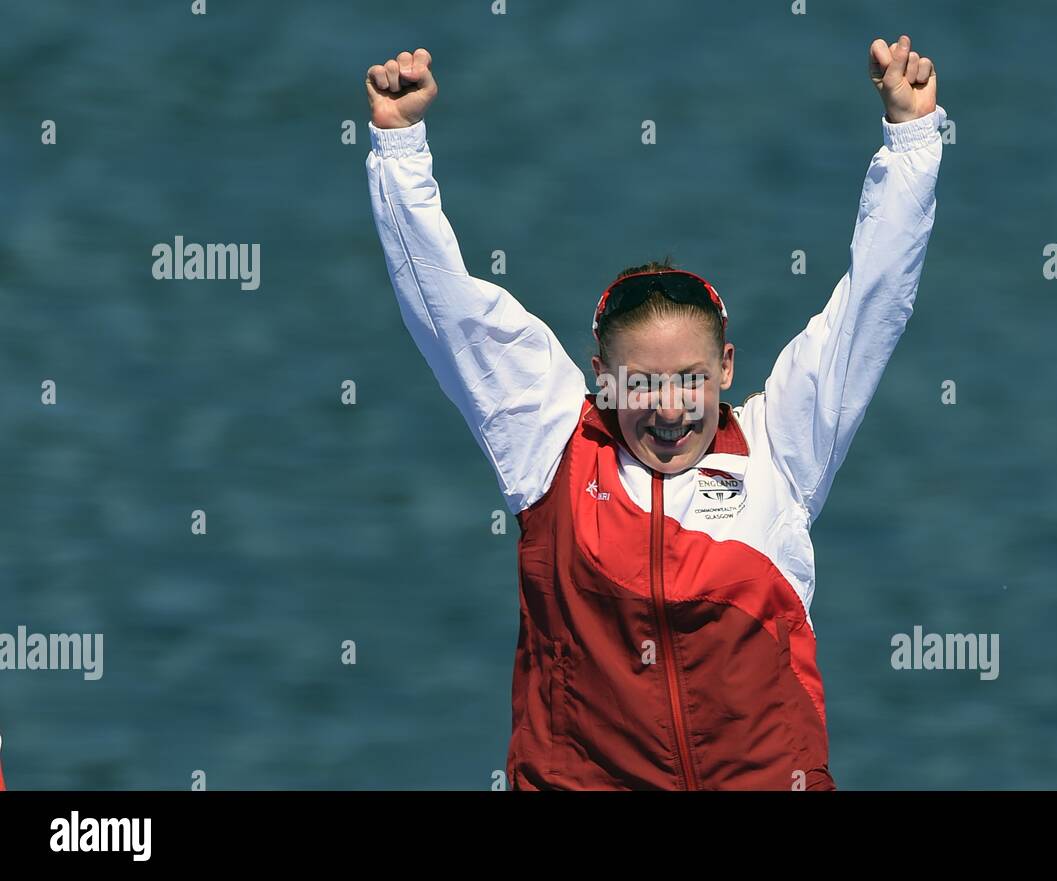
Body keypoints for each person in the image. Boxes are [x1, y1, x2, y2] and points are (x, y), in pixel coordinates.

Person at [364, 35, 943, 790]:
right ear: (601, 378)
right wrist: (399, 144)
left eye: (690, 380)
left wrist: (912, 137)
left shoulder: (781, 447)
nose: (668, 411)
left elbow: (874, 302)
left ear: (727, 369)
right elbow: (447, 308)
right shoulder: (552, 445)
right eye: (641, 384)